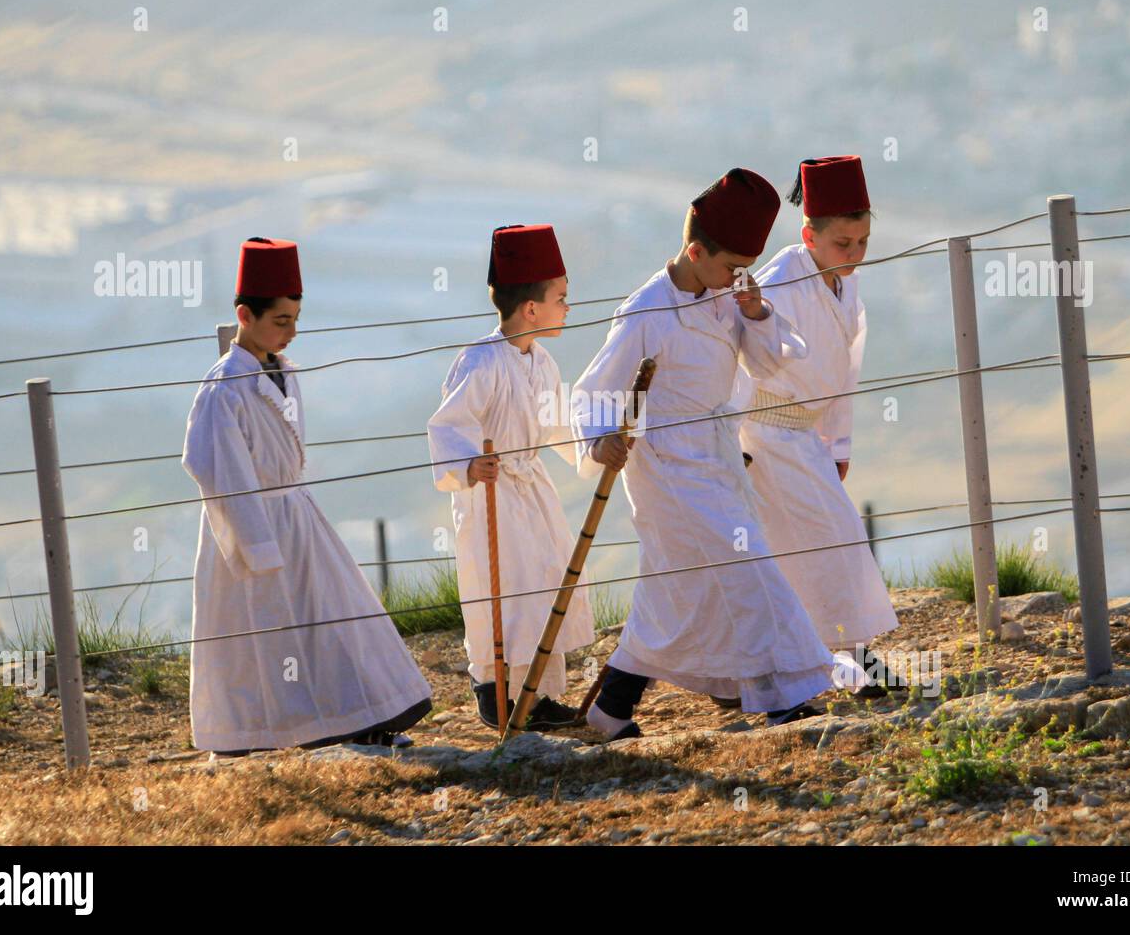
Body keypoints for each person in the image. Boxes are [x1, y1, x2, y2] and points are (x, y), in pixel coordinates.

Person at [571, 168, 836, 740]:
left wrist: (755, 312)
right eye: (728, 267)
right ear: (695, 250)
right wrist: (600, 437)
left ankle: (611, 708)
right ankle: (786, 698)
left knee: (675, 587)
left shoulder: (725, 297)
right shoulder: (646, 312)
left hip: (716, 457)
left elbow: (766, 364)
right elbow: (596, 388)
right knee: (750, 569)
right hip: (667, 466)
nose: (735, 278)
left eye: (743, 270)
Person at [182, 236, 432, 755]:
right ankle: (249, 735)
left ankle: (358, 716)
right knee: (260, 633)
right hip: (251, 527)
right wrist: (256, 544)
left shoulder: (282, 373)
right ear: (245, 315)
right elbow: (216, 470)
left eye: (296, 319)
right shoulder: (224, 388)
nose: (291, 332)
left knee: (331, 617)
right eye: (280, 320)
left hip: (296, 515)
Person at [738, 157, 901, 697]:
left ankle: (834, 660)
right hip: (765, 433)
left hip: (806, 434)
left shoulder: (843, 286)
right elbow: (742, 356)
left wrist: (839, 440)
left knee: (824, 541)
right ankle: (842, 662)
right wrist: (731, 445)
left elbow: (844, 370)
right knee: (831, 536)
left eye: (862, 242)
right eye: (842, 243)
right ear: (809, 233)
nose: (854, 254)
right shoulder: (779, 282)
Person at [427, 225, 592, 731]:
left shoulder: (541, 362)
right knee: (499, 590)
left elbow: (559, 423)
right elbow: (448, 425)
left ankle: (537, 694)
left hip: (529, 489)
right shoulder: (480, 362)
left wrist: (596, 445)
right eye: (561, 298)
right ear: (530, 309)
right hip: (490, 495)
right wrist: (467, 465)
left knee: (540, 584)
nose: (569, 306)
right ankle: (493, 690)